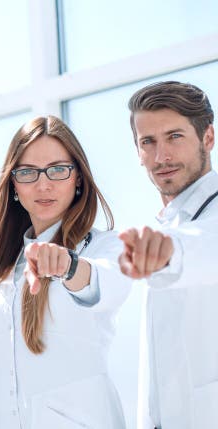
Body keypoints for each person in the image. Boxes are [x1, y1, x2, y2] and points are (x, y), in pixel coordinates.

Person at [0, 116, 132, 428]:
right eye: (28, 172)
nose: (43, 185)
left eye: (58, 170)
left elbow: (107, 282)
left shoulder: (103, 247)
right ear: (14, 184)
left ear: (79, 178)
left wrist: (68, 266)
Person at [118, 81, 218, 428]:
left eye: (175, 136)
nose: (161, 157)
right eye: (148, 142)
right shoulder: (164, 226)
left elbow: (206, 246)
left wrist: (169, 253)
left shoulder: (195, 229)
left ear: (208, 138)